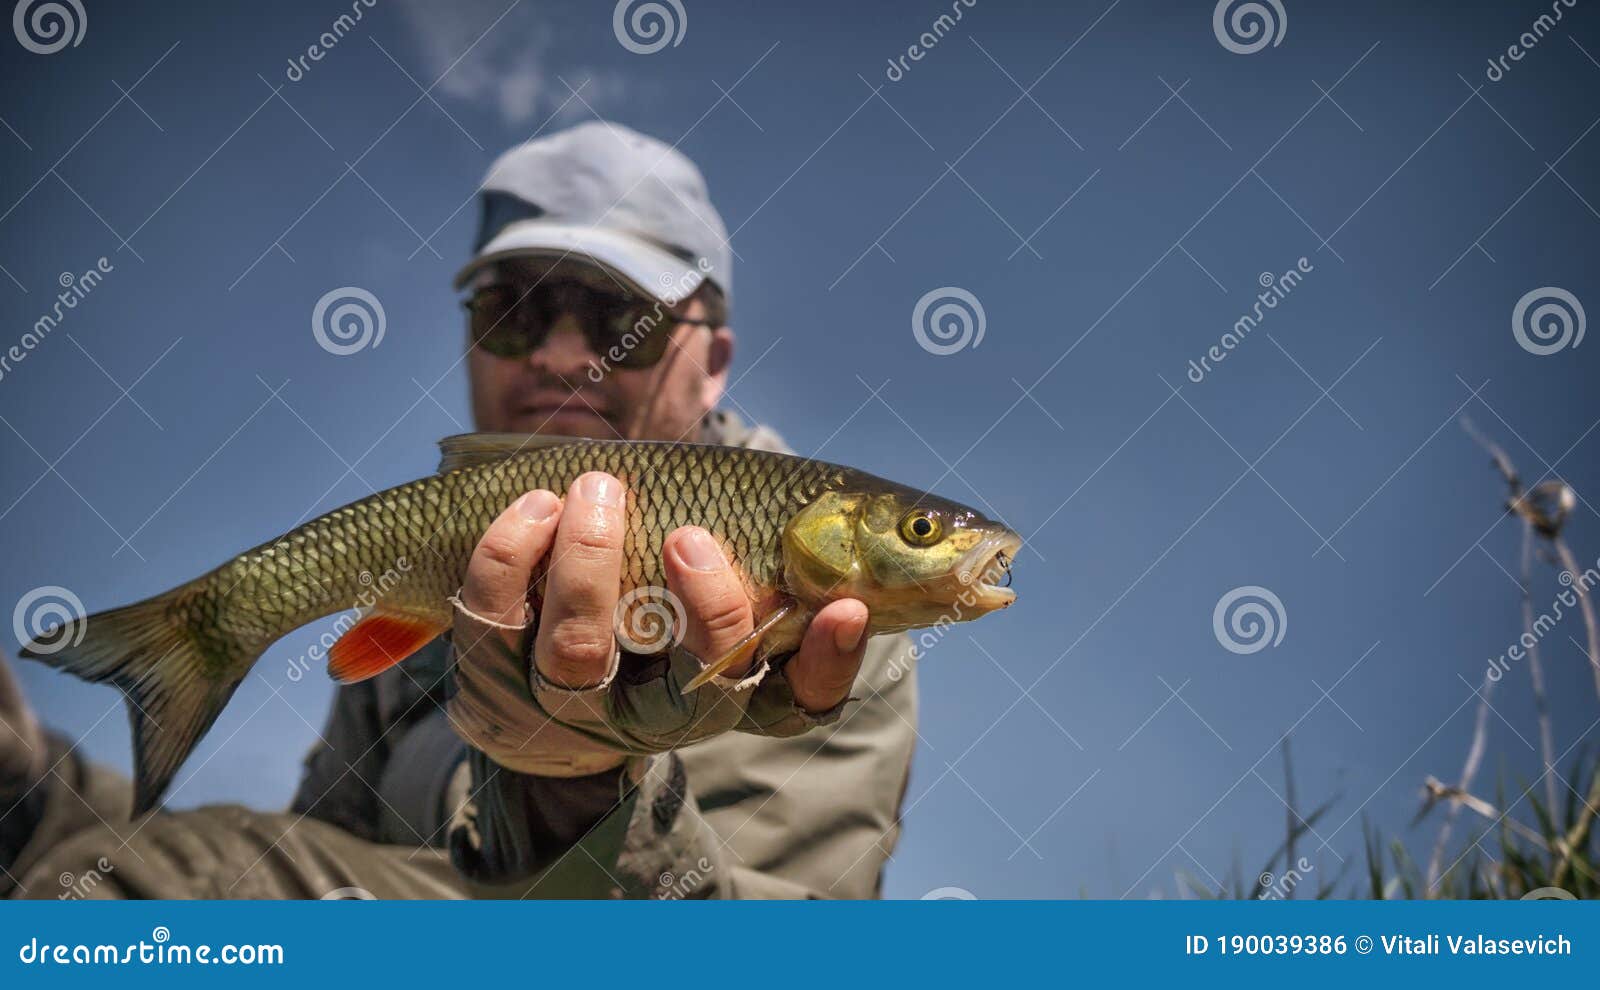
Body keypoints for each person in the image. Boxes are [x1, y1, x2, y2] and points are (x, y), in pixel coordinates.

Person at [0, 122, 918, 899]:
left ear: (710, 360)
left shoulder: (840, 614)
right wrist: (34, 791)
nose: (560, 356)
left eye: (613, 318)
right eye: (512, 312)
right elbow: (306, 850)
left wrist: (577, 792)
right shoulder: (437, 578)